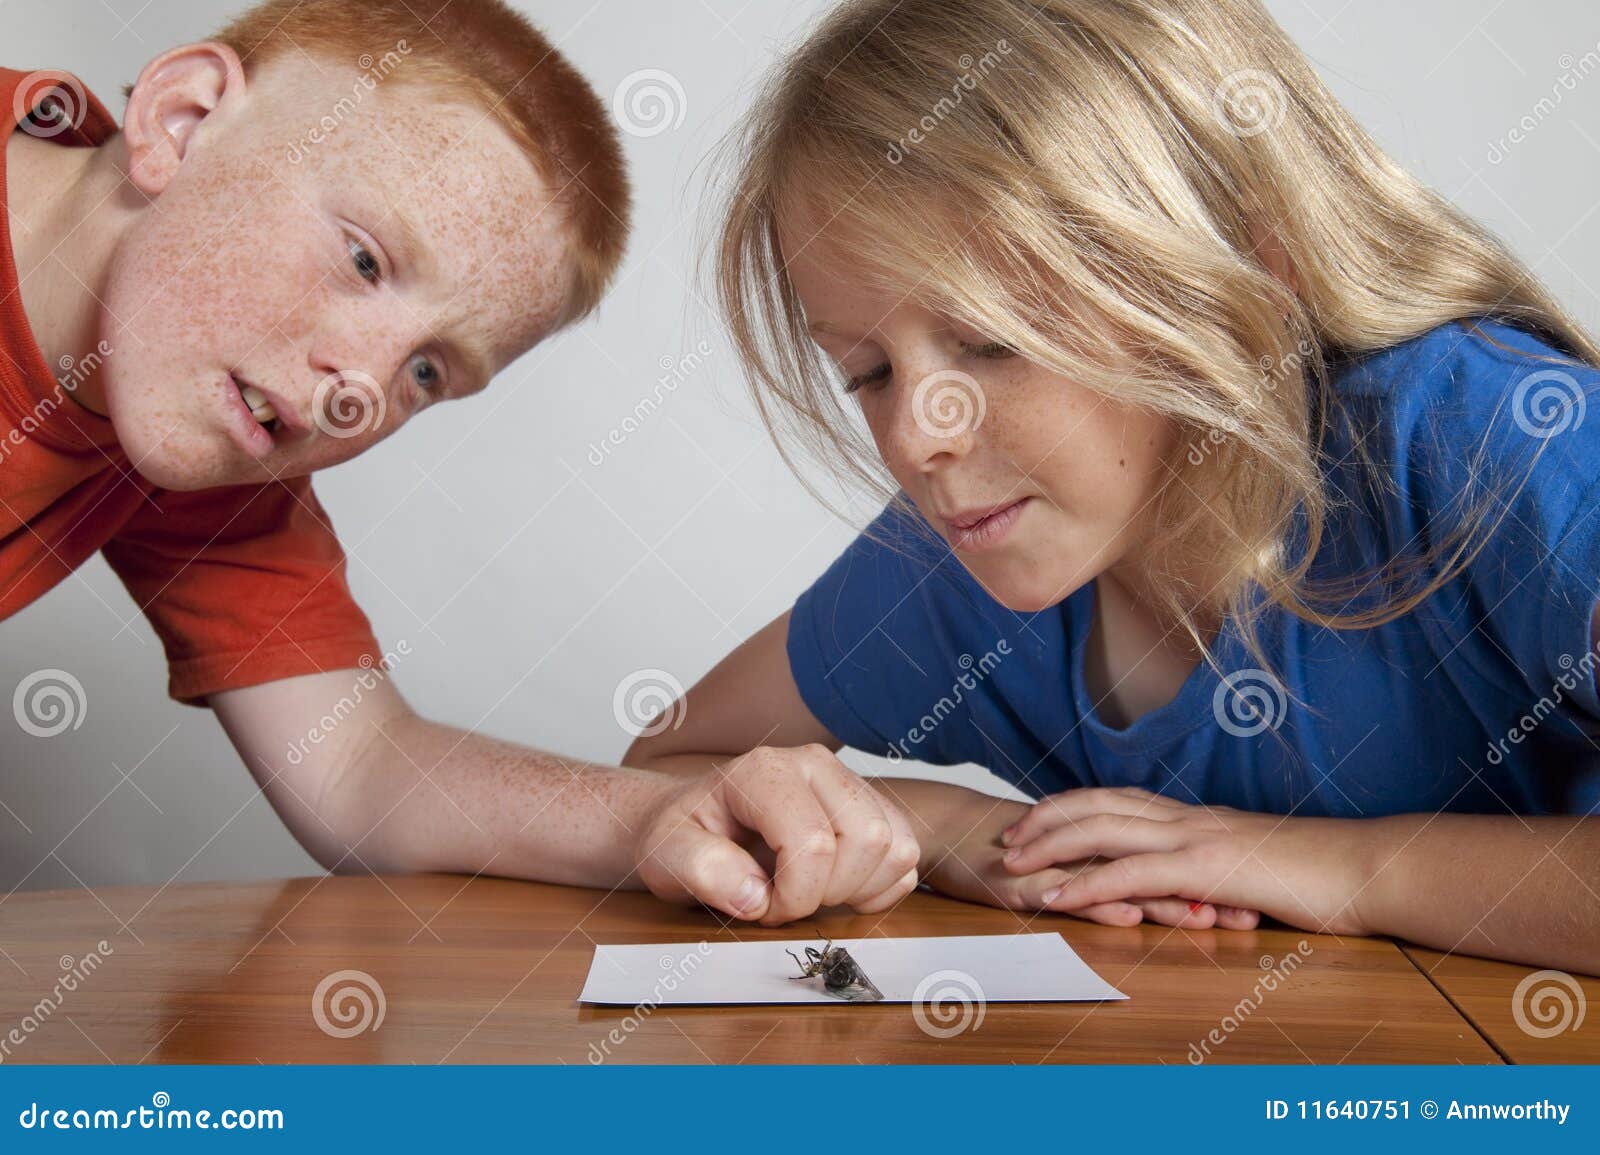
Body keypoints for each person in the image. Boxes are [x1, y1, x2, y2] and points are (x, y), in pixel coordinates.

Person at [627, 0, 1600, 973]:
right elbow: (671, 765)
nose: (918, 439)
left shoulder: (1489, 434)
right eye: (866, 372)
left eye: (991, 342)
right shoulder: (965, 553)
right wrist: (942, 827)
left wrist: (1343, 871)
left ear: (1248, 277)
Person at [1, 0, 918, 926]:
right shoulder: (197, 362)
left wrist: (667, 813)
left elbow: (356, 768)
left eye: (427, 370)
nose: (354, 387)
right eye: (364, 259)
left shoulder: (201, 422)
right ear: (183, 119)